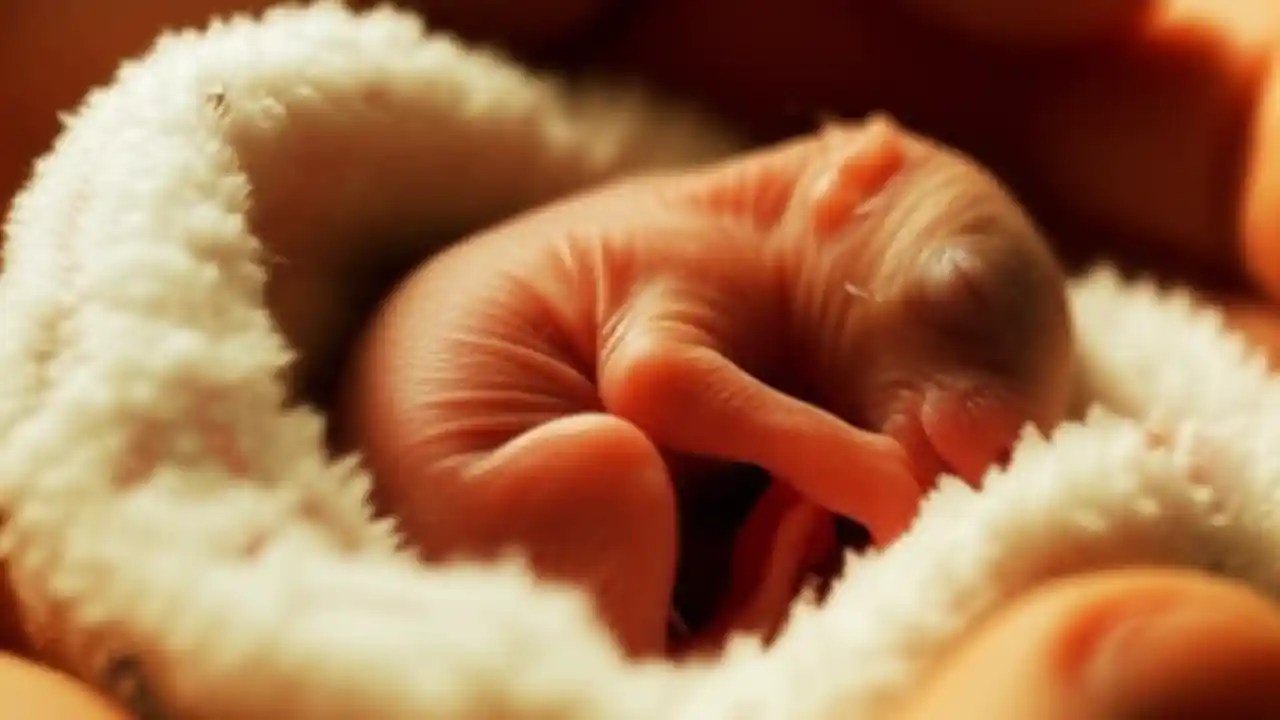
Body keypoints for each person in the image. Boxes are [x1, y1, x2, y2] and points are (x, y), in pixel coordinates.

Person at [2, 1, 1279, 716]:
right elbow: (656, 386)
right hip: (502, 465)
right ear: (853, 178)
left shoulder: (772, 278)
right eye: (955, 299)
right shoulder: (682, 245)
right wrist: (848, 464)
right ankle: (713, 639)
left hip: (528, 499)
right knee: (620, 465)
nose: (957, 395)